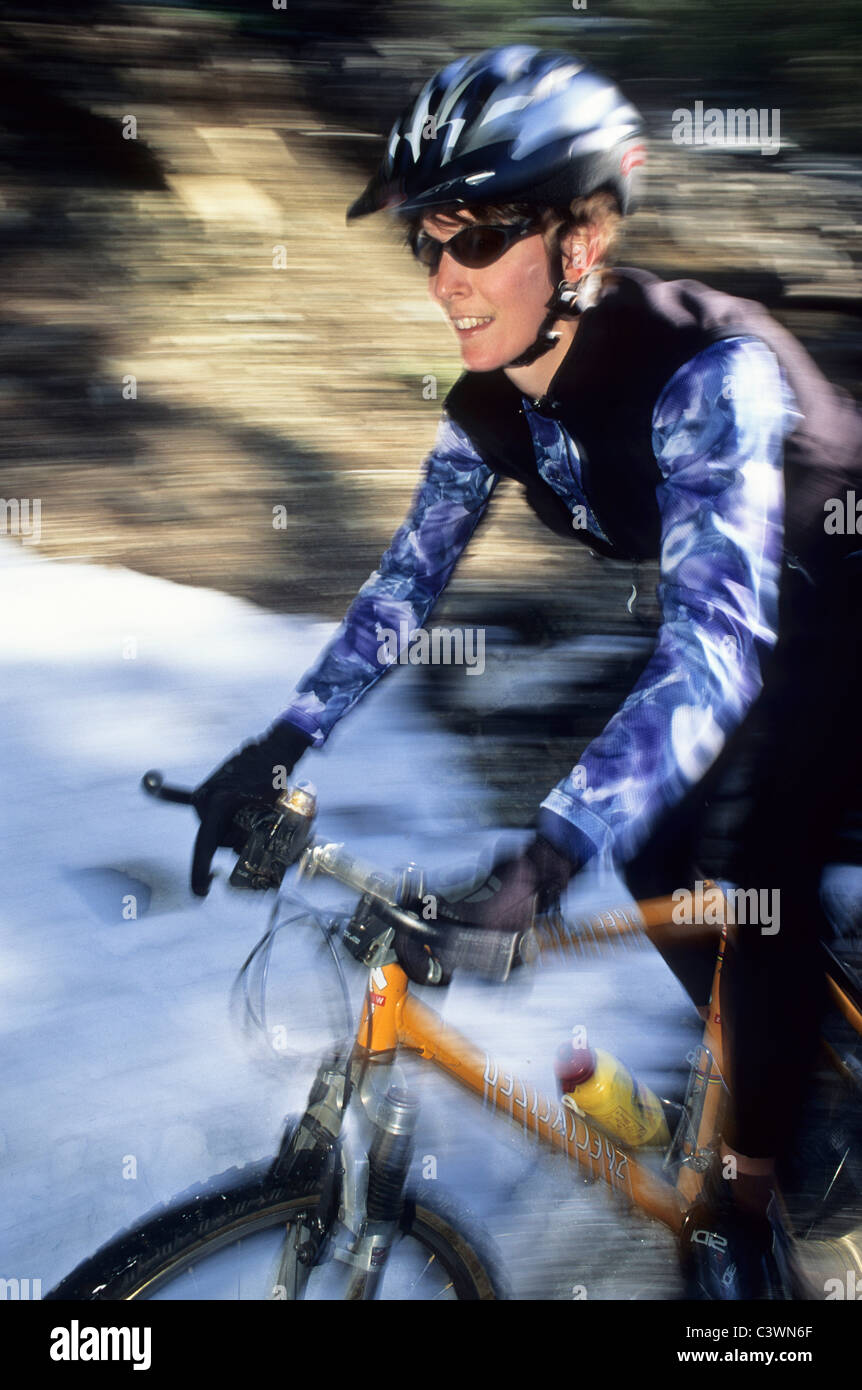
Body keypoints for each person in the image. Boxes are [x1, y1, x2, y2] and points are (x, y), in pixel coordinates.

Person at [189, 47, 862, 1298]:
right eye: (427, 242)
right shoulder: (488, 405)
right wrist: (278, 744)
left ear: (584, 234)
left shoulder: (711, 372)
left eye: (482, 234)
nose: (447, 278)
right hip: (749, 619)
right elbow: (405, 589)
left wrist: (546, 854)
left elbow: (714, 648)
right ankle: (788, 1077)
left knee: (753, 864)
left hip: (844, 615)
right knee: (659, 853)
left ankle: (765, 1204)